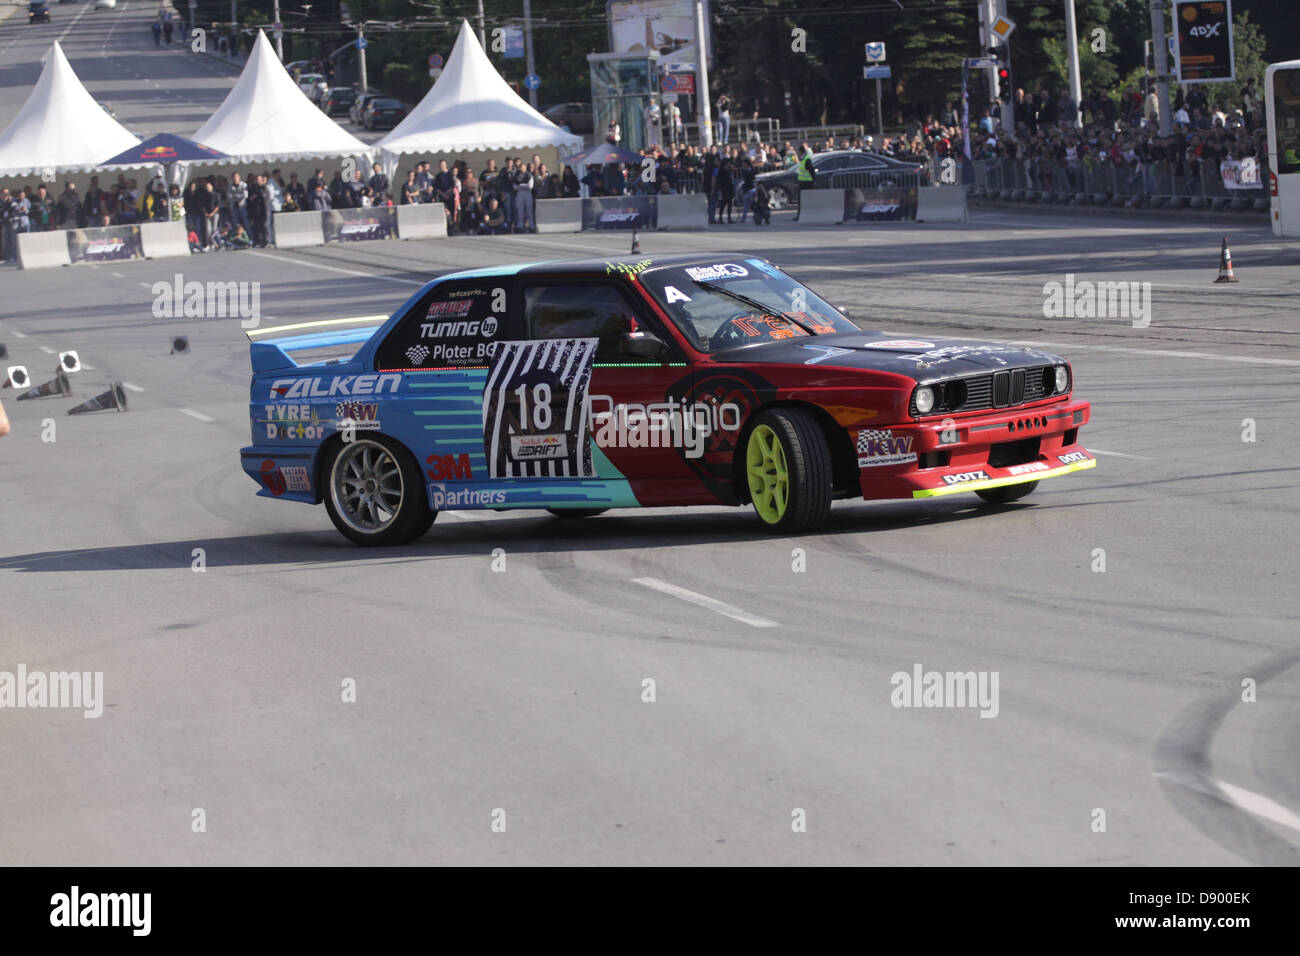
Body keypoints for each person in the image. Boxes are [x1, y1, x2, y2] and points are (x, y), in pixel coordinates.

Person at [794, 142, 814, 220]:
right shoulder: (803, 159)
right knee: (801, 200)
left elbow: (812, 171)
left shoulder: (806, 159)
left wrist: (813, 181)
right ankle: (800, 215)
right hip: (803, 182)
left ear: (801, 152)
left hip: (807, 183)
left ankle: (803, 215)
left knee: (805, 200)